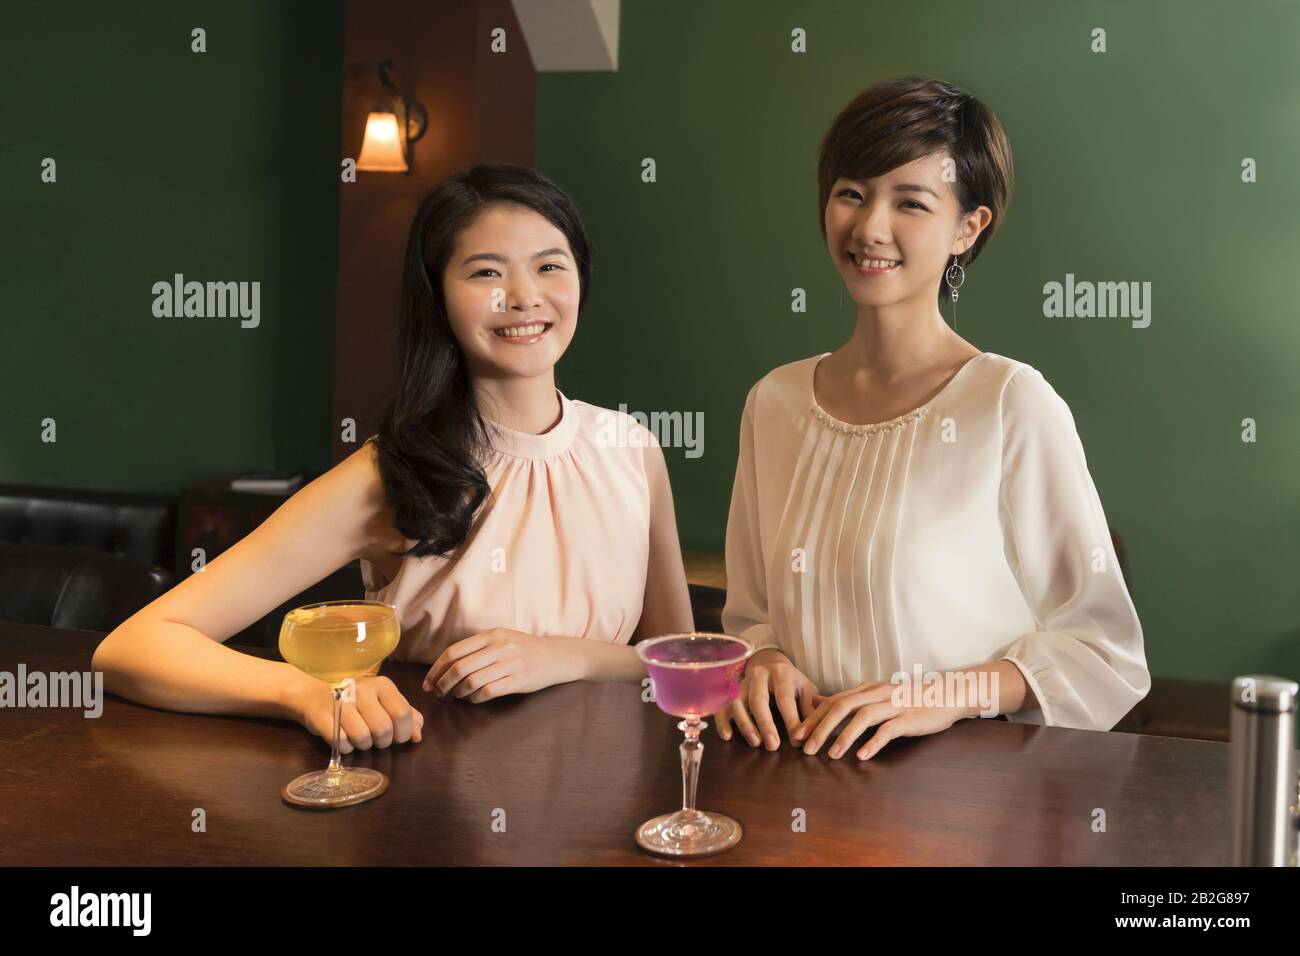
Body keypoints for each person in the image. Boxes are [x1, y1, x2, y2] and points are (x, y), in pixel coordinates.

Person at [93, 164, 694, 754]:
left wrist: (567, 657)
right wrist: (307, 694)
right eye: (487, 272)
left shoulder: (631, 447)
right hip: (439, 811)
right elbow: (133, 648)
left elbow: (684, 668)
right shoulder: (393, 473)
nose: (525, 297)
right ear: (437, 297)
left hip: (613, 816)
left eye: (549, 266)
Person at [715, 77, 1150, 760]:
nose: (869, 228)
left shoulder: (1010, 402)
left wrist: (938, 696)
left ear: (967, 228)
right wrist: (762, 658)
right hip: (796, 778)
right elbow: (751, 616)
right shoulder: (774, 401)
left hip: (961, 799)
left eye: (910, 202)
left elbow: (1104, 654)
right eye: (850, 193)